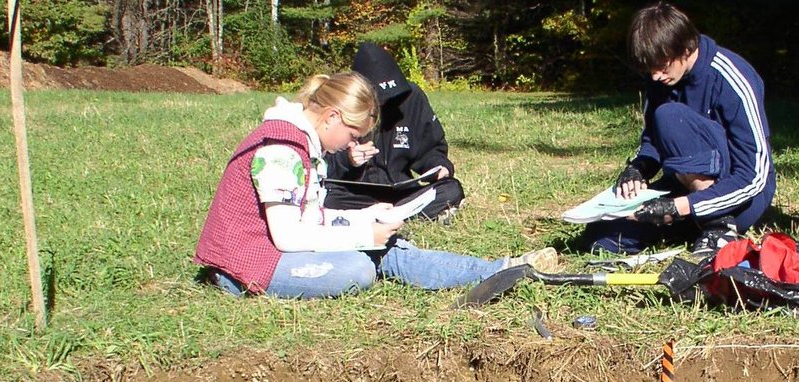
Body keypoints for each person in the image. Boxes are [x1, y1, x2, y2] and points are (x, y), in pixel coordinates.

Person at [194, 72, 555, 299]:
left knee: (388, 249)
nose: (352, 142)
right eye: (353, 134)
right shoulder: (281, 151)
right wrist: (361, 235)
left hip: (275, 251)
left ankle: (497, 269)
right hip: (247, 264)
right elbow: (287, 237)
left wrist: (366, 216)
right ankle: (499, 270)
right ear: (332, 116)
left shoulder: (299, 142)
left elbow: (309, 217)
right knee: (359, 269)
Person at [583, 2, 775, 256]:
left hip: (738, 198)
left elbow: (754, 176)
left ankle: (717, 227)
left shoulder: (731, 76)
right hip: (682, 189)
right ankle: (693, 227)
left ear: (686, 48)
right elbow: (654, 139)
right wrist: (639, 169)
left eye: (662, 66)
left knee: (671, 116)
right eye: (649, 68)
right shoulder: (660, 80)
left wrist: (679, 208)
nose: (655, 76)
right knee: (601, 237)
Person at [323, 43, 465, 224]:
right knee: (327, 198)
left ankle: (387, 217)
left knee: (451, 189)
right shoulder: (345, 102)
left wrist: (439, 167)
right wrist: (348, 160)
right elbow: (322, 166)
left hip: (401, 193)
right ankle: (396, 217)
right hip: (355, 195)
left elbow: (431, 148)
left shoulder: (412, 98)